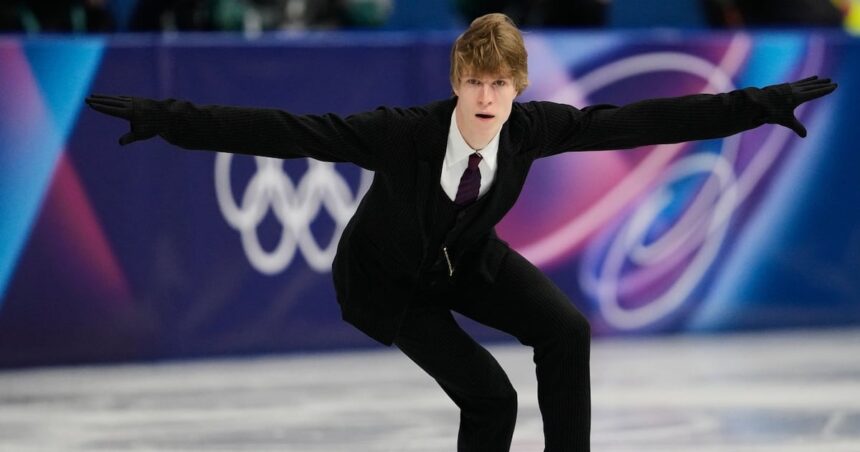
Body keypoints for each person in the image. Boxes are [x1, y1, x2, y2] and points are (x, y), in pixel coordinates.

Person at [85, 13, 837, 451]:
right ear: (455, 82)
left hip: (465, 259)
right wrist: (169, 119)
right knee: (491, 399)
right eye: (474, 82)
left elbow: (641, 120)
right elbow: (289, 129)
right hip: (387, 284)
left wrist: (754, 104)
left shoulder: (529, 128)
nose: (485, 97)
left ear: (518, 88)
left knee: (564, 331)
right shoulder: (404, 135)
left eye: (499, 85)